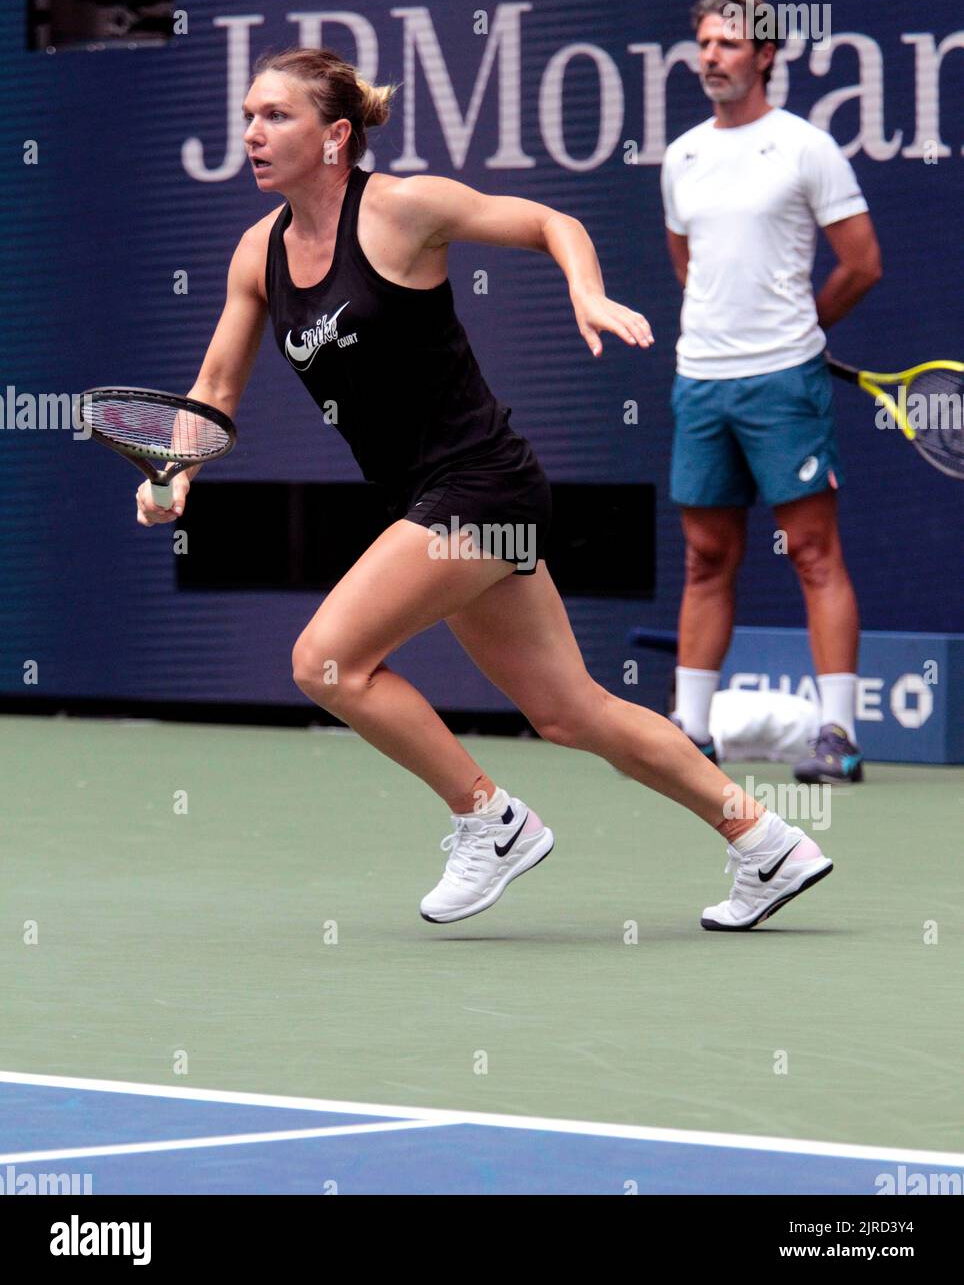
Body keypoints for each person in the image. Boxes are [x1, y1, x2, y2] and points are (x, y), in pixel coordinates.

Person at [137, 46, 832, 931]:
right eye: (248, 115)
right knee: (571, 711)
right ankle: (766, 841)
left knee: (326, 661)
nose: (252, 133)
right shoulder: (256, 256)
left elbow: (549, 222)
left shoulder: (401, 209)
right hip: (429, 501)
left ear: (336, 135)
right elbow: (217, 393)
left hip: (482, 487)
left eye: (276, 116)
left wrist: (586, 292)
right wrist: (175, 465)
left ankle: (488, 820)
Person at [661, 0, 882, 785]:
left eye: (729, 44)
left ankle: (839, 737)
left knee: (814, 552)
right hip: (701, 381)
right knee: (704, 558)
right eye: (705, 44)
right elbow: (690, 270)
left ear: (765, 56)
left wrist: (801, 332)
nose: (712, 57)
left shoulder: (804, 148)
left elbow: (862, 262)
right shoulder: (681, 156)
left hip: (783, 382)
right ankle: (689, 733)